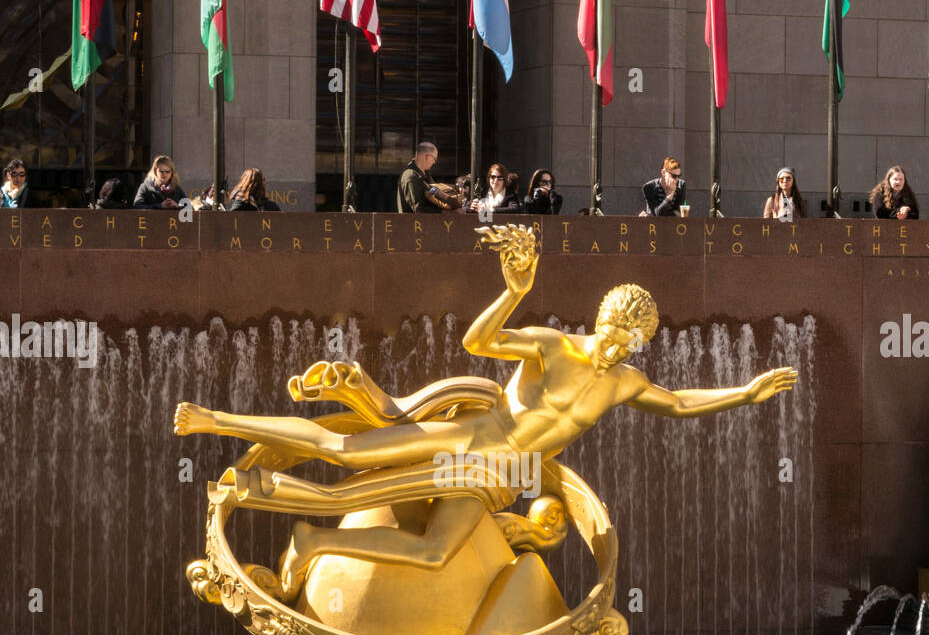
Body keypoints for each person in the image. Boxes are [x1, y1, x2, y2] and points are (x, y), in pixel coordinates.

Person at [174, 224, 797, 587]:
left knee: (434, 553)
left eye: (630, 342)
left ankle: (313, 542)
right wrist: (512, 291)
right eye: (612, 334)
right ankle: (216, 420)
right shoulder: (554, 346)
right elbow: (479, 342)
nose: (616, 347)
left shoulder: (624, 382)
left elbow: (681, 402)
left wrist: (744, 392)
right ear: (600, 320)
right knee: (346, 452)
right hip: (471, 437)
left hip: (497, 481)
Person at [397, 141, 456, 213]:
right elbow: (418, 209)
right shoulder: (410, 176)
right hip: (414, 223)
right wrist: (447, 212)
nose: (434, 162)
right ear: (427, 157)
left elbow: (434, 199)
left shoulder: (424, 175)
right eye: (435, 159)